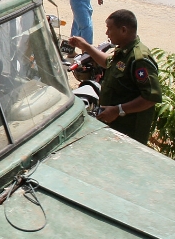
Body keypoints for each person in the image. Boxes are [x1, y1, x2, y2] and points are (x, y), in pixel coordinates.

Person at [67, 9, 161, 144]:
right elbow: (108, 63)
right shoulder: (123, 50)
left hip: (129, 131)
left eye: (109, 29)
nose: (107, 33)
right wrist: (86, 46)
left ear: (123, 30)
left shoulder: (139, 59)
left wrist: (119, 110)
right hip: (115, 126)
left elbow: (151, 98)